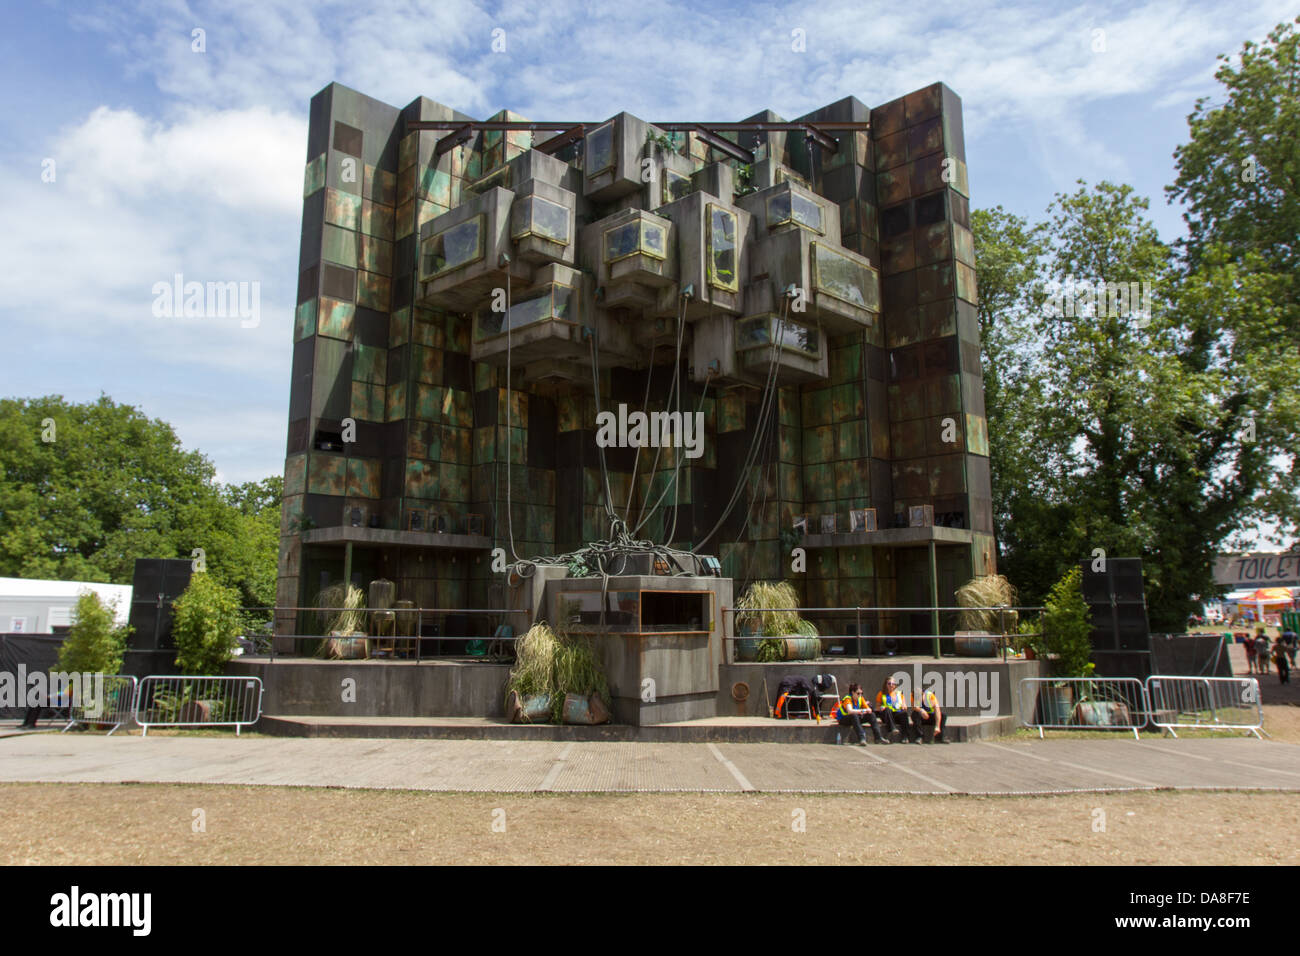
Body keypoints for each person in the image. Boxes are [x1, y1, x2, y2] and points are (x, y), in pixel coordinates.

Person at [875, 676, 920, 742]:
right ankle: (892, 729)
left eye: (893, 684)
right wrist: (881, 707)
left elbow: (904, 706)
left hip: (897, 714)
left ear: (895, 685)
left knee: (904, 714)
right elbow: (877, 707)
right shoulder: (881, 694)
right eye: (889, 683)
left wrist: (903, 706)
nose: (891, 685)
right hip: (887, 715)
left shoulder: (899, 694)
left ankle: (905, 737)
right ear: (886, 684)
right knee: (887, 710)